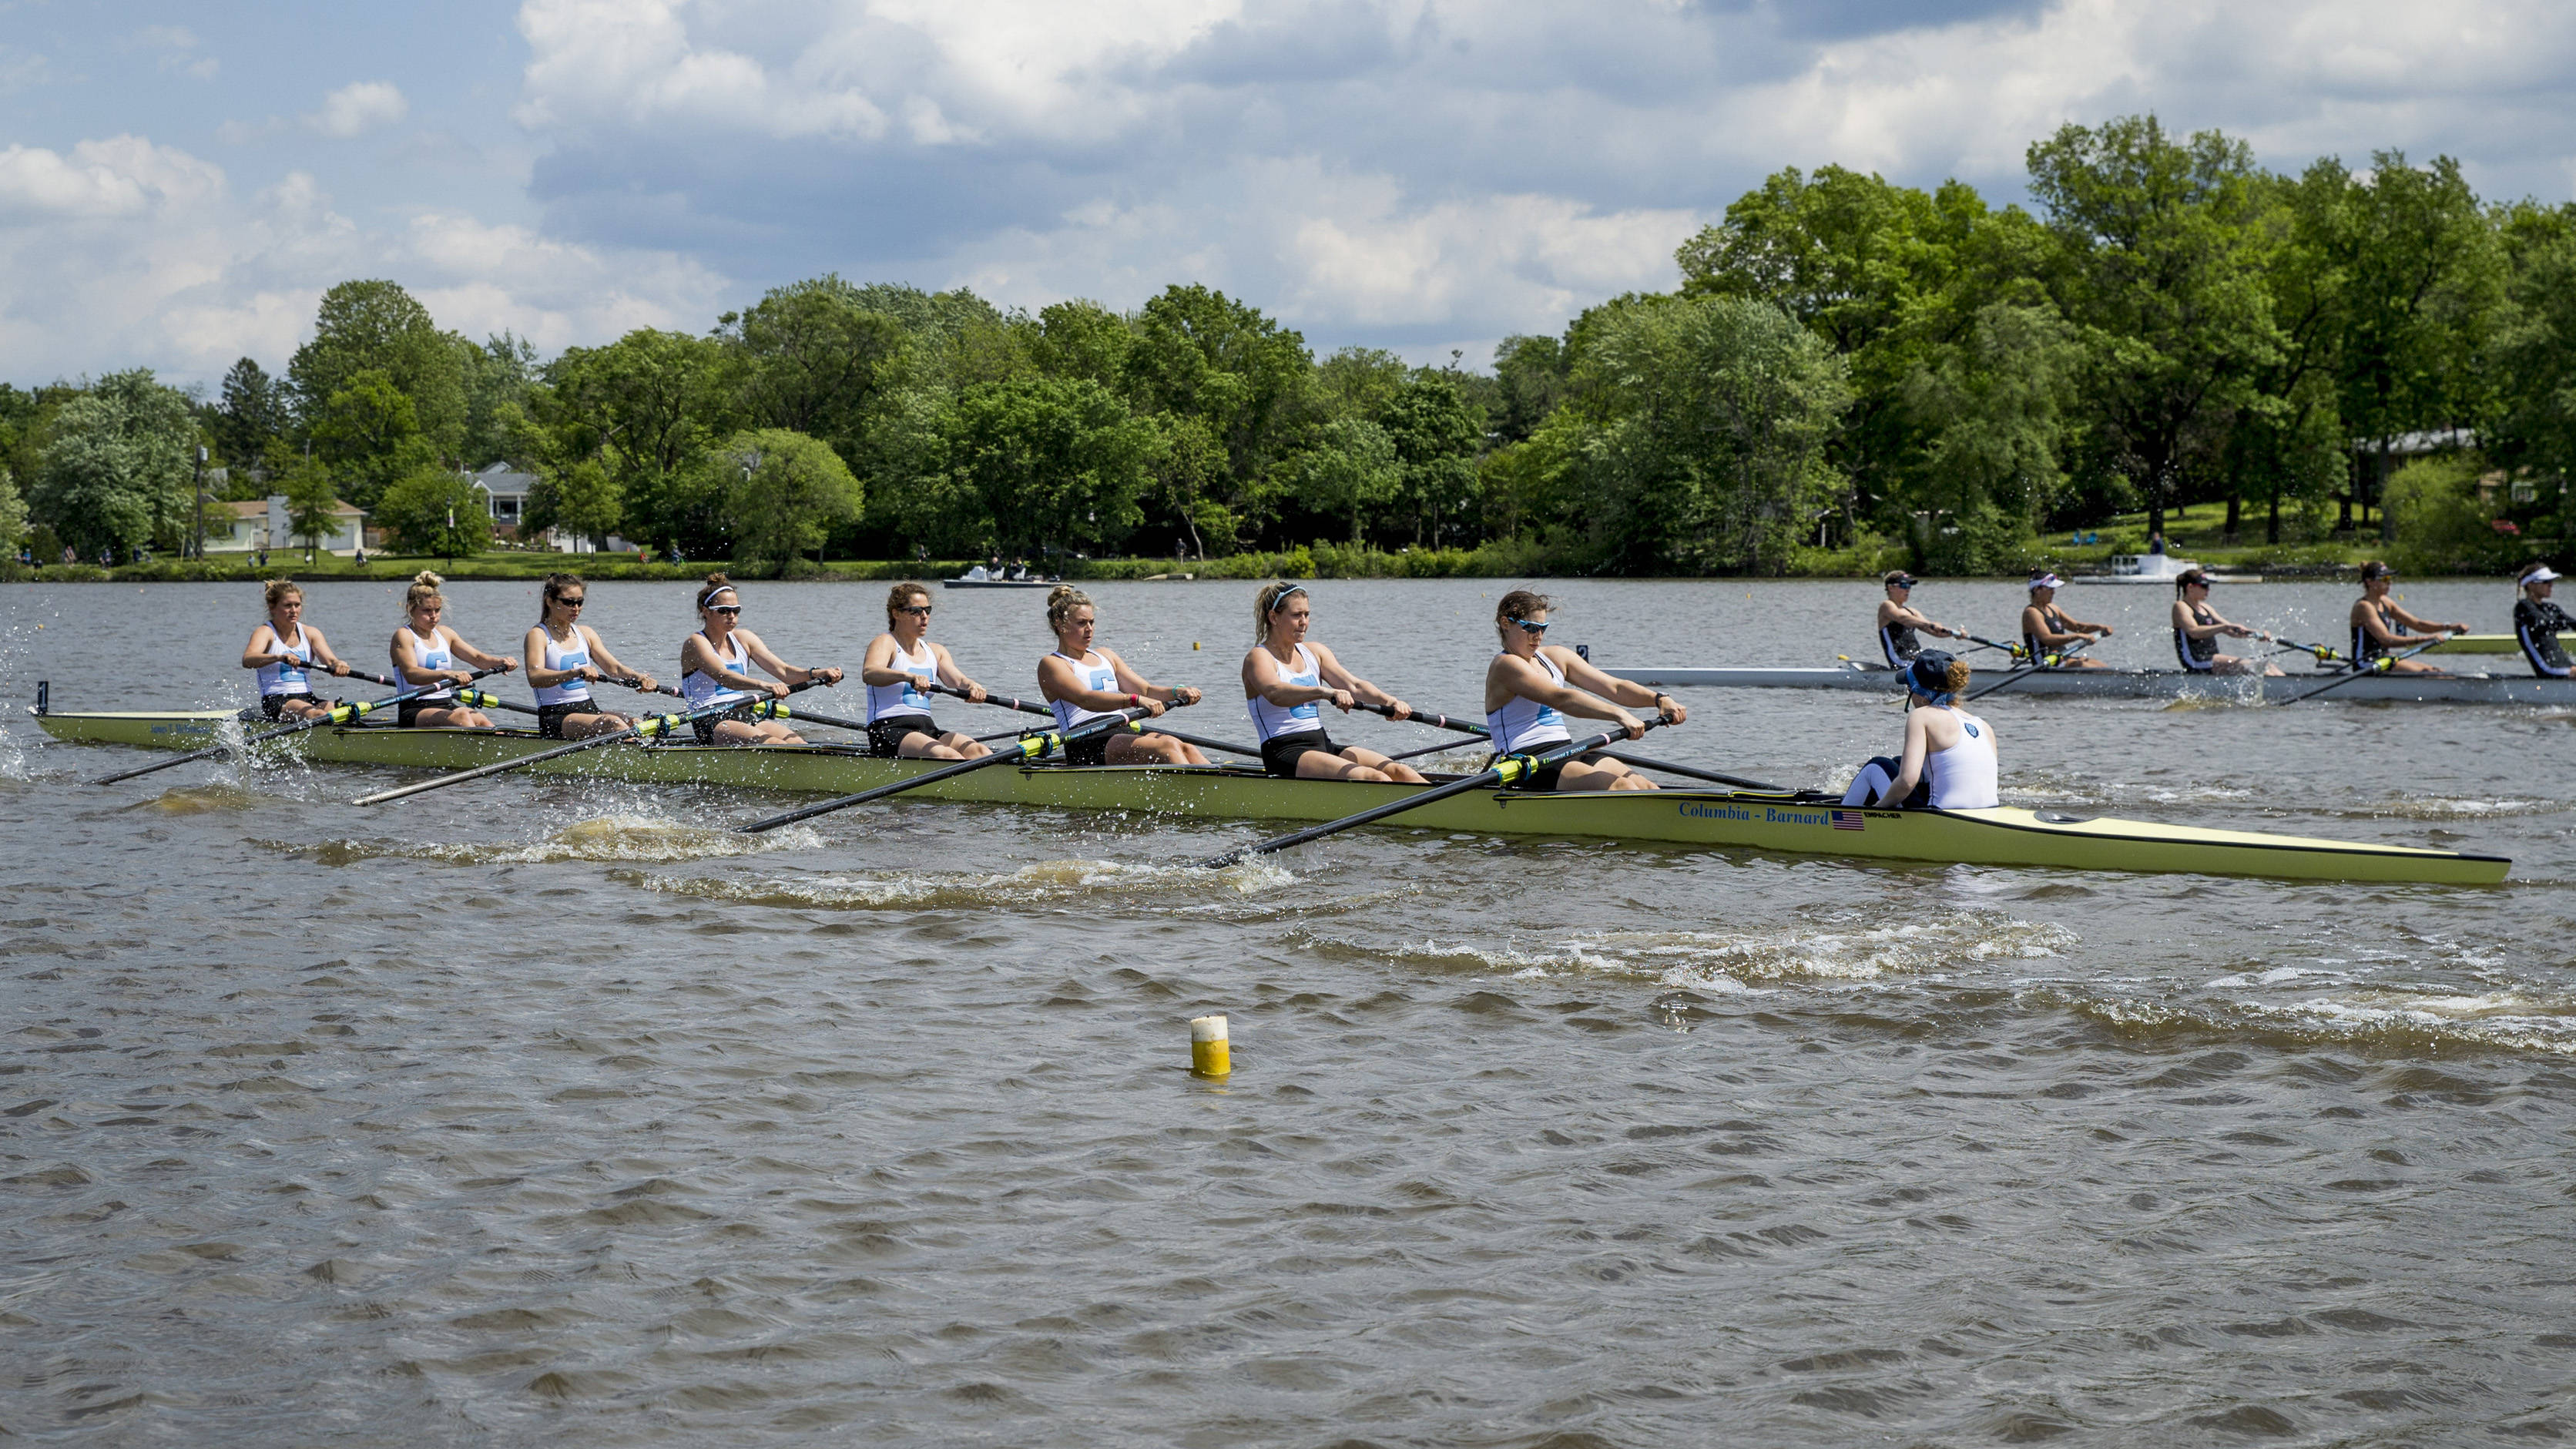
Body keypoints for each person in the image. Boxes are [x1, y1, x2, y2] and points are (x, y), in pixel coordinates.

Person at [1481, 589, 1686, 791]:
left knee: (1646, 787)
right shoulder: (1505, 666)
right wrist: (1619, 714)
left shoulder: (1556, 656)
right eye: (1531, 628)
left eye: (1543, 628)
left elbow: (1615, 688)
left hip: (1567, 751)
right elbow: (1561, 699)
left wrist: (1659, 699)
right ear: (1506, 623)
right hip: (1527, 763)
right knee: (1622, 787)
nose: (1539, 636)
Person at [1239, 582, 1429, 783]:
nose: (1304, 622)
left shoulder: (1315, 652)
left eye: (1307, 614)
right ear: (1274, 617)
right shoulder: (1258, 658)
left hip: (1322, 746)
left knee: (1401, 772)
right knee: (1375, 778)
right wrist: (1325, 692)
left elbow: (1354, 686)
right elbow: (1274, 692)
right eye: (1296, 615)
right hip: (1284, 754)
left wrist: (1389, 701)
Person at [1038, 585, 1208, 766]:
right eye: (1081, 623)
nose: (1089, 629)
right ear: (1060, 624)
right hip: (1085, 740)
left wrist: (1177, 692)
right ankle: (1201, 791)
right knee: (1167, 747)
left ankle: (1220, 784)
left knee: (1184, 747)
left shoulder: (1106, 655)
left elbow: (1146, 690)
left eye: (1092, 622)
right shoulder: (1052, 663)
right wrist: (1134, 700)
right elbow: (1085, 699)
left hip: (1120, 731)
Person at [679, 573, 840, 745]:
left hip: (743, 712)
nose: (732, 616)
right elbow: (724, 677)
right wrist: (764, 685)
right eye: (724, 611)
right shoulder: (696, 642)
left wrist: (816, 673)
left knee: (799, 745)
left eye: (736, 610)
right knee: (776, 745)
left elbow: (784, 671)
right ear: (706, 612)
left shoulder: (744, 638)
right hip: (709, 719)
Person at [1840, 651, 2001, 810]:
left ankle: (1839, 821)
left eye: (1909, 688)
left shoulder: (1921, 716)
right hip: (1986, 814)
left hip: (1940, 818)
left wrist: (1877, 808)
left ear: (1922, 694)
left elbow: (1907, 782)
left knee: (1876, 766)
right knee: (1898, 762)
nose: (1908, 693)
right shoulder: (1984, 726)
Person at [860, 582, 994, 760]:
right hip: (888, 730)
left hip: (927, 729)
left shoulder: (936, 651)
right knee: (948, 756)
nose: (924, 616)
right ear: (896, 613)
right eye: (916, 611)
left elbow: (958, 681)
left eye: (927, 610)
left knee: (981, 752)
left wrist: (973, 686)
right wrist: (908, 677)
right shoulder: (886, 642)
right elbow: (870, 673)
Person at [522, 572, 657, 740]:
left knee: (636, 723)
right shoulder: (538, 635)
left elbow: (614, 668)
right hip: (555, 717)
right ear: (550, 601)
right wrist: (575, 673)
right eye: (568, 602)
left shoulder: (585, 634)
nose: (576, 608)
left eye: (580, 602)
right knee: (614, 724)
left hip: (588, 709)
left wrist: (639, 677)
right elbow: (535, 677)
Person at [390, 571, 514, 728]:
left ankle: (500, 748)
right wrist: (446, 674)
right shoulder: (404, 636)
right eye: (427, 611)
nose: (433, 616)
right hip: (415, 709)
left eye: (437, 610)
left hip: (445, 705)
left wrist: (500, 661)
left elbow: (477, 658)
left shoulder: (445, 634)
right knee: (463, 716)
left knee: (480, 719)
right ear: (410, 609)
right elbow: (411, 674)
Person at [240, 579, 352, 721]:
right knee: (318, 716)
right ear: (272, 607)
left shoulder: (311, 633)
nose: (294, 610)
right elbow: (248, 660)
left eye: (297, 605)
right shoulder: (265, 632)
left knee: (347, 712)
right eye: (288, 606)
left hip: (307, 698)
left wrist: (339, 665)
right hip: (276, 702)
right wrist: (280, 657)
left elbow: (330, 661)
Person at [2349, 561, 2466, 674]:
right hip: (2366, 664)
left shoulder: (2386, 602)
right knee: (2431, 674)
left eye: (2389, 579)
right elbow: (2386, 639)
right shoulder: (2364, 607)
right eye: (2384, 579)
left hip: (2384, 659)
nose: (2390, 583)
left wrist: (2449, 626)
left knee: (2438, 672)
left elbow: (2417, 624)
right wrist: (2426, 639)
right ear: (2370, 582)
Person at [2170, 569, 2283, 676]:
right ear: (2190, 587)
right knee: (2255, 667)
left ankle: (2284, 685)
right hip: (2195, 660)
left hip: (2213, 658)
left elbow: (2233, 631)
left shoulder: (2206, 608)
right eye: (2204, 586)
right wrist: (2224, 627)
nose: (2208, 590)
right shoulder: (2181, 606)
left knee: (2268, 667)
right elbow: (2194, 632)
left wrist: (2257, 634)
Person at [2021, 572, 2112, 667]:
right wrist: (2078, 636)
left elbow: (2077, 627)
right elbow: (2047, 639)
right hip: (2045, 663)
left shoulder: (2053, 608)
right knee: (2087, 667)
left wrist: (2099, 627)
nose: (2053, 592)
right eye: (2050, 589)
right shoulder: (2031, 613)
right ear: (2037, 590)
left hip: (2061, 658)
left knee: (2102, 666)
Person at [1875, 570, 1961, 668]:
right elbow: (1903, 618)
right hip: (1899, 661)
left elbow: (1934, 631)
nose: (1908, 589)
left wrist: (1954, 633)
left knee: (1949, 664)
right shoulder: (1886, 606)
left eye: (1909, 586)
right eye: (1904, 586)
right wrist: (1930, 624)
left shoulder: (1912, 612)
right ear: (1891, 588)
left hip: (1916, 659)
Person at [2511, 563, 2576, 679]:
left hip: (2566, 666)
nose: (2551, 585)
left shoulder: (2551, 608)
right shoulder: (2523, 607)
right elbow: (2543, 622)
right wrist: (2566, 624)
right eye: (2546, 582)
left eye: (2551, 581)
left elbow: (2573, 623)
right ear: (2530, 585)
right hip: (2547, 669)